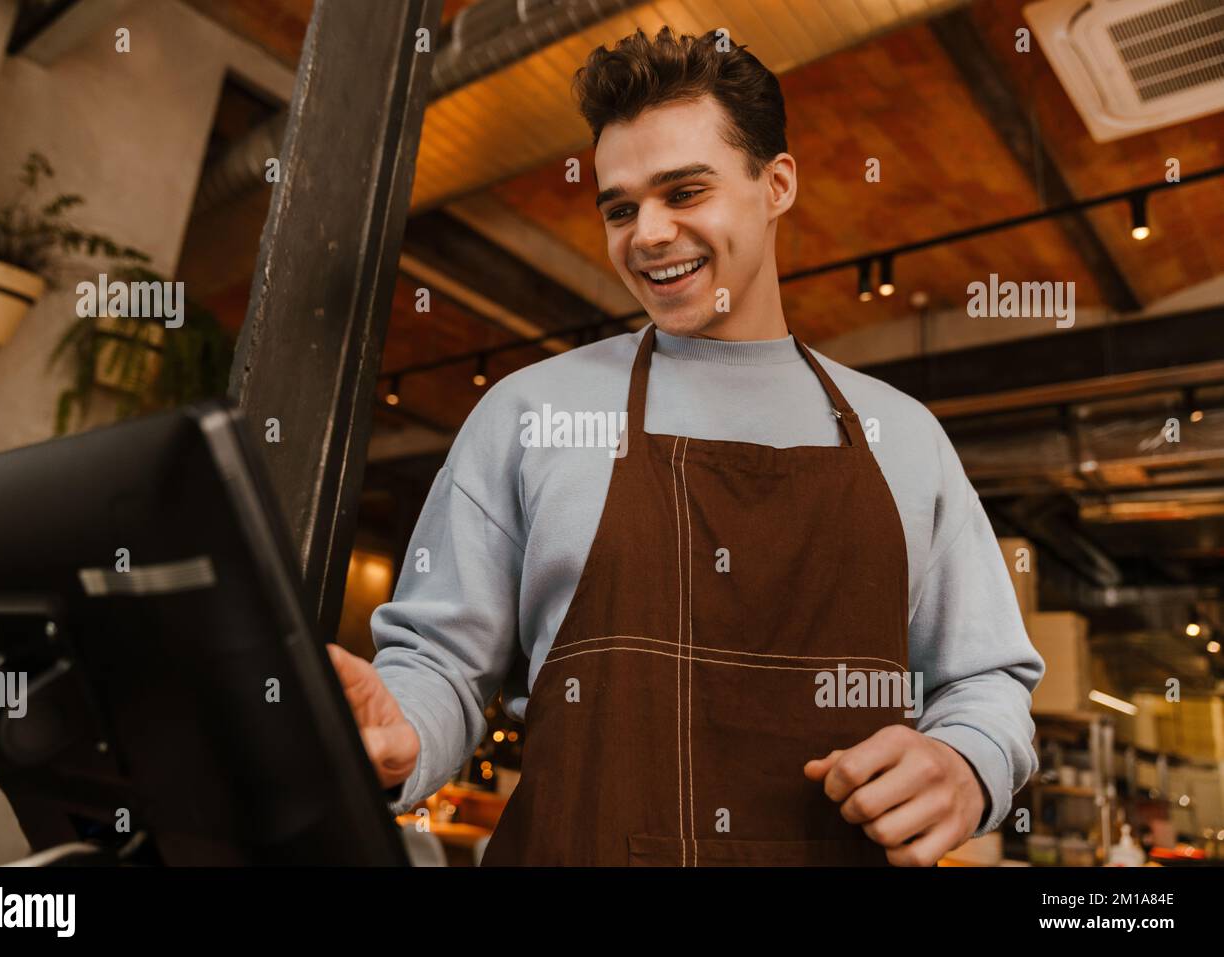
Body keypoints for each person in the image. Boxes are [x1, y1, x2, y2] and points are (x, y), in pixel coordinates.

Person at [328, 25, 1044, 866]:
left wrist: (968, 762)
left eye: (684, 191)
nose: (648, 234)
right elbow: (444, 665)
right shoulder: (529, 413)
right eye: (621, 208)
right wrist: (402, 729)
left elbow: (985, 681)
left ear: (776, 184)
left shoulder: (907, 438)